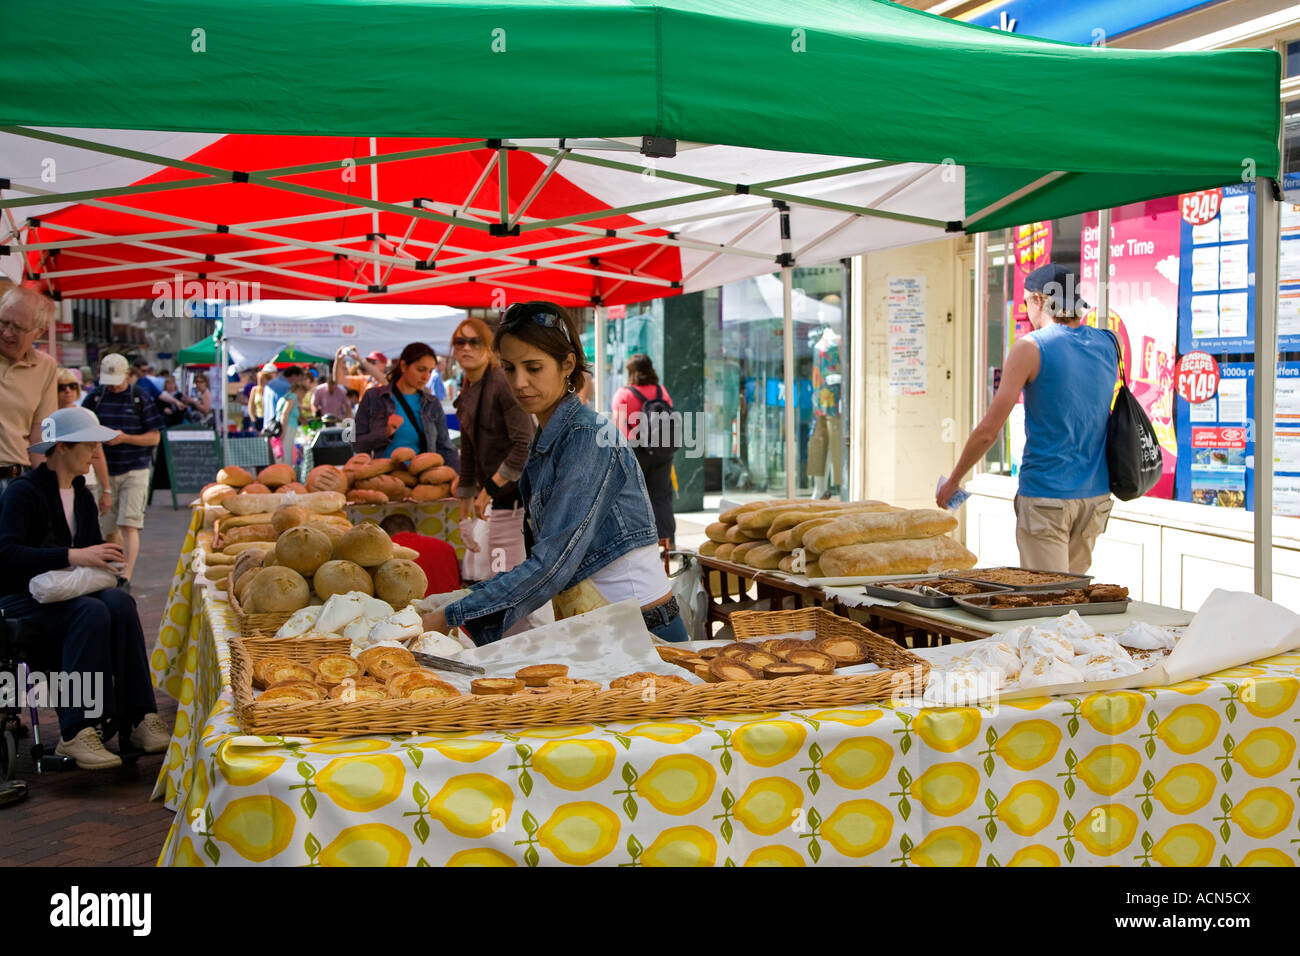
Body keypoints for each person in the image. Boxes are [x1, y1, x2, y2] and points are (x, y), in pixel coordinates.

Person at [420, 301, 686, 645]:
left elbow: (551, 564)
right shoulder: (547, 440)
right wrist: (459, 602)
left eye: (533, 367)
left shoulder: (588, 438)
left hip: (643, 632)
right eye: (510, 368)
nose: (520, 382)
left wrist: (452, 614)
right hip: (599, 626)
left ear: (567, 364)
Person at [0, 405, 170, 769]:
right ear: (60, 448)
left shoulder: (81, 494)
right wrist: (76, 554)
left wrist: (105, 558)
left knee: (121, 604)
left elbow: (89, 556)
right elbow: (6, 554)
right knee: (92, 611)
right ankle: (77, 730)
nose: (97, 453)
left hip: (68, 591)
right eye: (90, 445)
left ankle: (139, 718)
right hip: (22, 598)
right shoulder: (22, 492)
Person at [937, 262, 1118, 574]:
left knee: (1048, 601)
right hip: (1096, 497)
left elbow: (988, 431)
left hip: (1047, 495)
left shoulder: (1031, 347)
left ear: (1038, 299)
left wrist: (954, 481)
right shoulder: (1107, 343)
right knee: (1072, 601)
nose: (1025, 311)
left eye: (1024, 302)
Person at [452, 317, 534, 576]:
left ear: (489, 348)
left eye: (474, 342)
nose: (466, 348)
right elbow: (468, 458)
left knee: (509, 582)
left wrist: (489, 489)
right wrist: (464, 517)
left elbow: (525, 444)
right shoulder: (468, 391)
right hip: (497, 500)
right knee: (482, 574)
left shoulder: (503, 383)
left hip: (518, 501)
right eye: (460, 342)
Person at [84, 354, 164, 589]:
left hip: (135, 469)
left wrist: (124, 438)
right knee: (108, 527)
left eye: (117, 379)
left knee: (129, 523)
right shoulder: (95, 398)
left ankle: (125, 577)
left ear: (128, 375)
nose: (113, 385)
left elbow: (155, 438)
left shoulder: (141, 397)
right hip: (104, 470)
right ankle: (115, 569)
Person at [352, 342, 460, 469]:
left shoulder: (432, 403)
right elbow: (356, 443)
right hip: (383, 477)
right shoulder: (374, 397)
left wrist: (458, 478)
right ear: (403, 366)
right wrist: (384, 433)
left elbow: (445, 447)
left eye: (430, 371)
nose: (426, 377)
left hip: (422, 479)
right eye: (421, 369)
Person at [611, 354, 677, 550]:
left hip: (635, 451)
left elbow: (618, 427)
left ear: (630, 372)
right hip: (662, 449)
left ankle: (640, 544)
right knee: (661, 495)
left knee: (634, 497)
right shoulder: (661, 391)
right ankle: (668, 542)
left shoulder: (623, 394)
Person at [0, 286, 58, 496]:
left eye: (17, 327)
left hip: (14, 483)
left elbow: (40, 432)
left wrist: (47, 484)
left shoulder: (45, 367)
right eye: (3, 322)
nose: (6, 332)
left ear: (39, 331)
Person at [58, 368, 112, 516]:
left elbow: (98, 454)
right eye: (61, 387)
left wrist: (106, 489)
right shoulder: (46, 417)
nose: (68, 390)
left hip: (86, 482)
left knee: (88, 531)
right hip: (58, 483)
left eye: (72, 386)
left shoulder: (88, 415)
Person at [378, 513, 462, 596]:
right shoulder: (446, 547)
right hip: (451, 606)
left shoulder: (384, 552)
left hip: (409, 608)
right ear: (415, 531)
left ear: (384, 536)